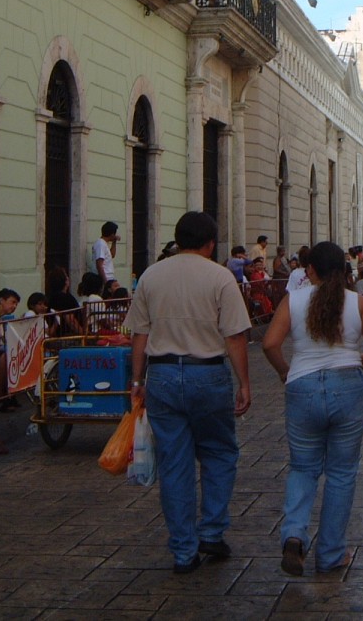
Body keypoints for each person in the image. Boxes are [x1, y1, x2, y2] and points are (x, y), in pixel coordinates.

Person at [128, 211, 252, 573]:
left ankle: (183, 551)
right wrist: (244, 383)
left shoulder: (152, 275)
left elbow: (140, 334)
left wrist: (137, 381)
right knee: (218, 452)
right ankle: (211, 529)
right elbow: (235, 337)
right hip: (207, 373)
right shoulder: (220, 277)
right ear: (210, 243)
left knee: (175, 464)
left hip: (162, 374)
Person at [261, 241, 363, 576]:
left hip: (302, 386)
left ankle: (293, 535)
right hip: (348, 388)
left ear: (310, 270)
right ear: (345, 270)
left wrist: (284, 371)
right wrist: (356, 362)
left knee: (303, 468)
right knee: (341, 472)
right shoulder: (357, 303)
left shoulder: (294, 300)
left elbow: (270, 343)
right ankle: (331, 553)